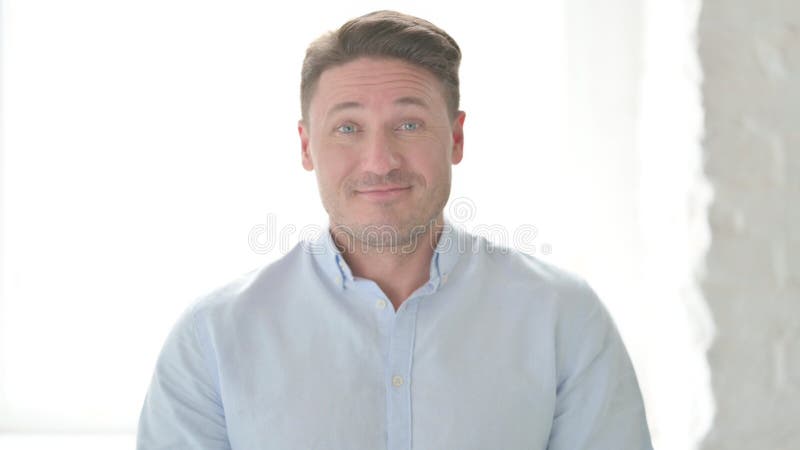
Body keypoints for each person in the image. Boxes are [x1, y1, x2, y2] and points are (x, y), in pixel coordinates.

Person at [136, 10, 653, 450]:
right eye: (347, 128)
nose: (380, 161)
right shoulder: (214, 337)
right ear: (306, 146)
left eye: (409, 124)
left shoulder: (563, 318)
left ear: (455, 138)